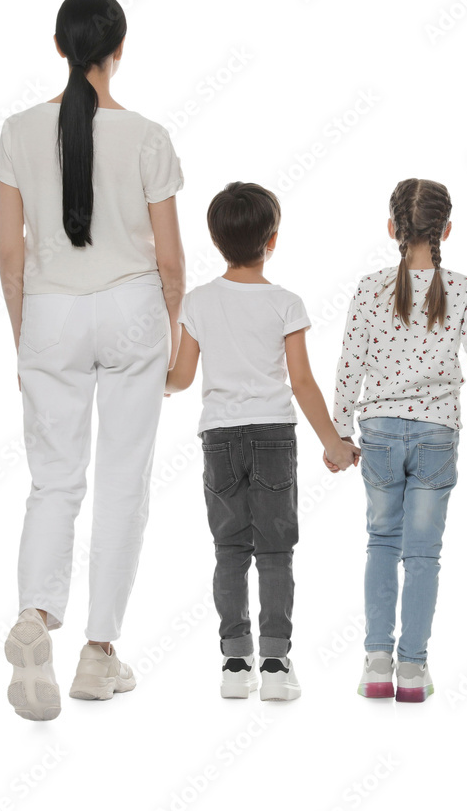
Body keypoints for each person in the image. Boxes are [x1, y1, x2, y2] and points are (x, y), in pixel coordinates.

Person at [0, 0, 186, 720]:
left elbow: (9, 255)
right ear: (119, 49)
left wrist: (24, 340)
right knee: (122, 484)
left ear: (58, 46)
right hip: (131, 309)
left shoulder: (16, 130)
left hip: (49, 311)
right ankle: (98, 655)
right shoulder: (146, 135)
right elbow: (170, 261)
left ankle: (35, 616)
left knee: (53, 483)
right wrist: (172, 342)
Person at [329, 178, 467, 702]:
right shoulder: (463, 288)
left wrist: (339, 432)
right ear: (446, 230)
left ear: (391, 230)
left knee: (381, 541)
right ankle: (411, 670)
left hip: (377, 432)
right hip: (436, 434)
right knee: (422, 555)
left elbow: (348, 367)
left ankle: (376, 663)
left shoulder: (369, 286)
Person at [165, 181, 359, 701]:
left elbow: (182, 377)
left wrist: (148, 382)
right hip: (274, 434)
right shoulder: (285, 303)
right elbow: (302, 383)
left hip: (220, 437)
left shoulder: (198, 302)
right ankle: (275, 665)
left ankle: (234, 665)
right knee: (276, 551)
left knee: (230, 548)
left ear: (215, 239)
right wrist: (335, 443)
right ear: (272, 239)